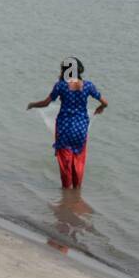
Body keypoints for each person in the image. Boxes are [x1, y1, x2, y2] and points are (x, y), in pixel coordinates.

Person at [26, 57, 107, 190]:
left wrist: (33, 104)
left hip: (64, 128)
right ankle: (76, 192)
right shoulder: (88, 86)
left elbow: (46, 103)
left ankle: (66, 193)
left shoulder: (61, 86)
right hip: (81, 129)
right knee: (78, 160)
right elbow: (105, 102)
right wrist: (101, 108)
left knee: (65, 162)